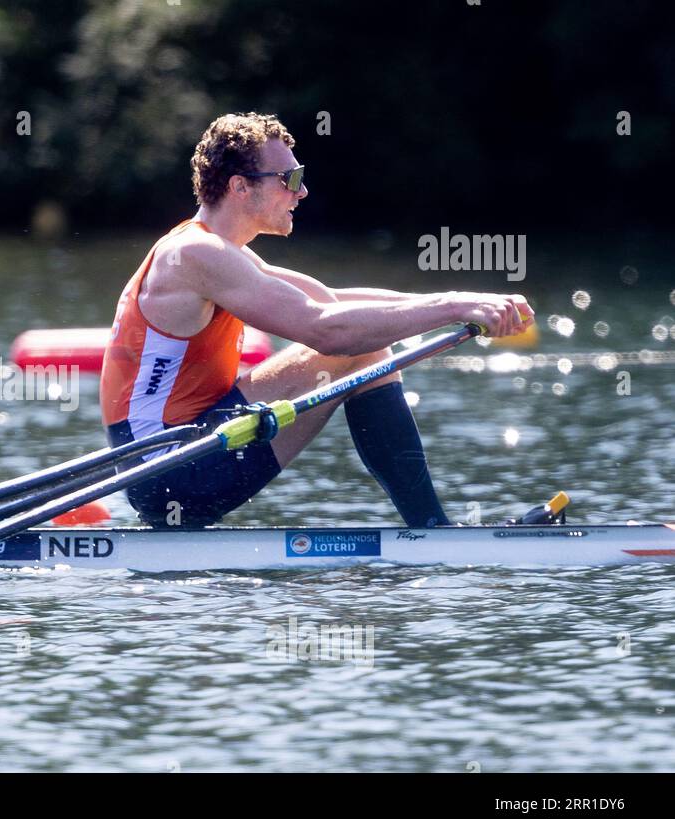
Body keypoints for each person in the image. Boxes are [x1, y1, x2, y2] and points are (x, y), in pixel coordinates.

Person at [99, 112, 534, 528]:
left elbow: (333, 300)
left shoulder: (219, 252)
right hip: (167, 468)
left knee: (365, 341)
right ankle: (431, 529)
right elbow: (326, 329)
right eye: (289, 179)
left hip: (188, 447)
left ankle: (430, 527)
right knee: (358, 347)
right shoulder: (196, 255)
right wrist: (454, 309)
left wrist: (464, 299)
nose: (302, 192)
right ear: (240, 187)